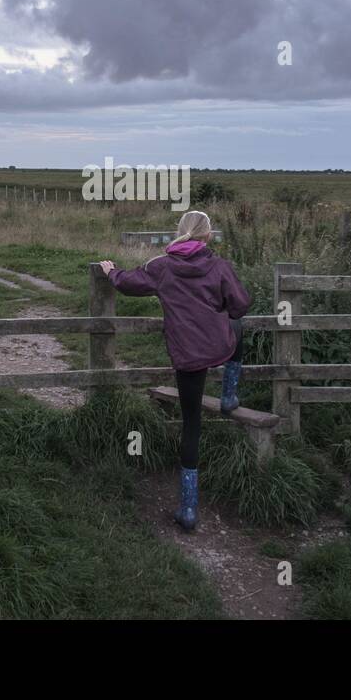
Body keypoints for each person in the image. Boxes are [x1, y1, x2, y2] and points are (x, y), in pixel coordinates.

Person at [99, 210, 251, 531]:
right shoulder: (219, 266)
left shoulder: (161, 267)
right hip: (218, 344)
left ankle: (189, 510)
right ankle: (229, 395)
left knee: (191, 424)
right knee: (237, 325)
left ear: (179, 233)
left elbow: (129, 283)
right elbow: (239, 306)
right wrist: (218, 310)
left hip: (188, 356)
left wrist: (111, 272)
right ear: (207, 236)